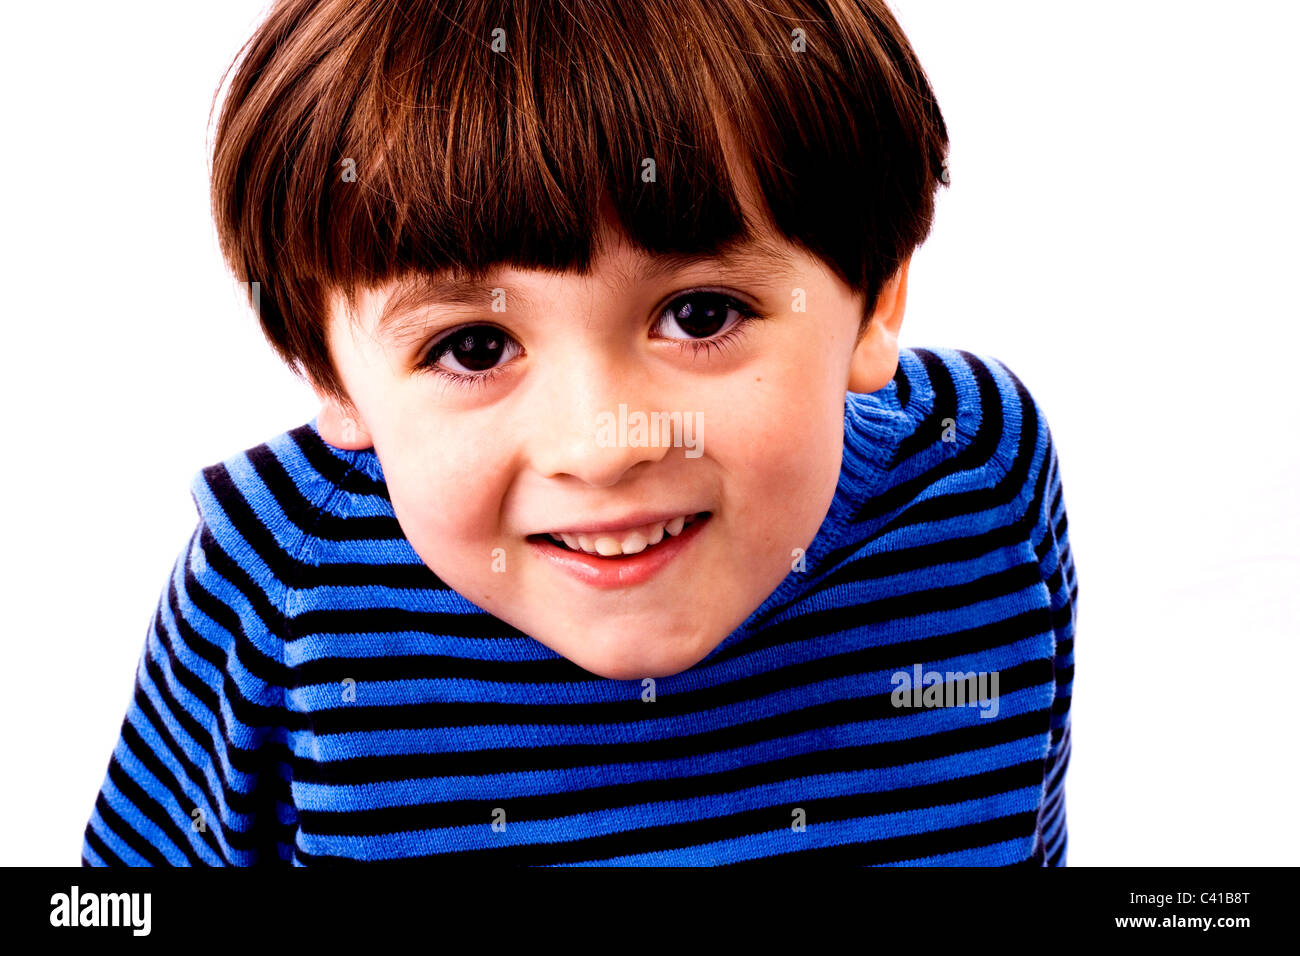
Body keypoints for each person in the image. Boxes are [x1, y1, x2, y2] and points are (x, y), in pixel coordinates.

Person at [82, 0, 1076, 865]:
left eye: (699, 315)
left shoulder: (977, 469)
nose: (603, 443)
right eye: (473, 345)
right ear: (328, 374)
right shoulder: (277, 577)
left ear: (874, 303)